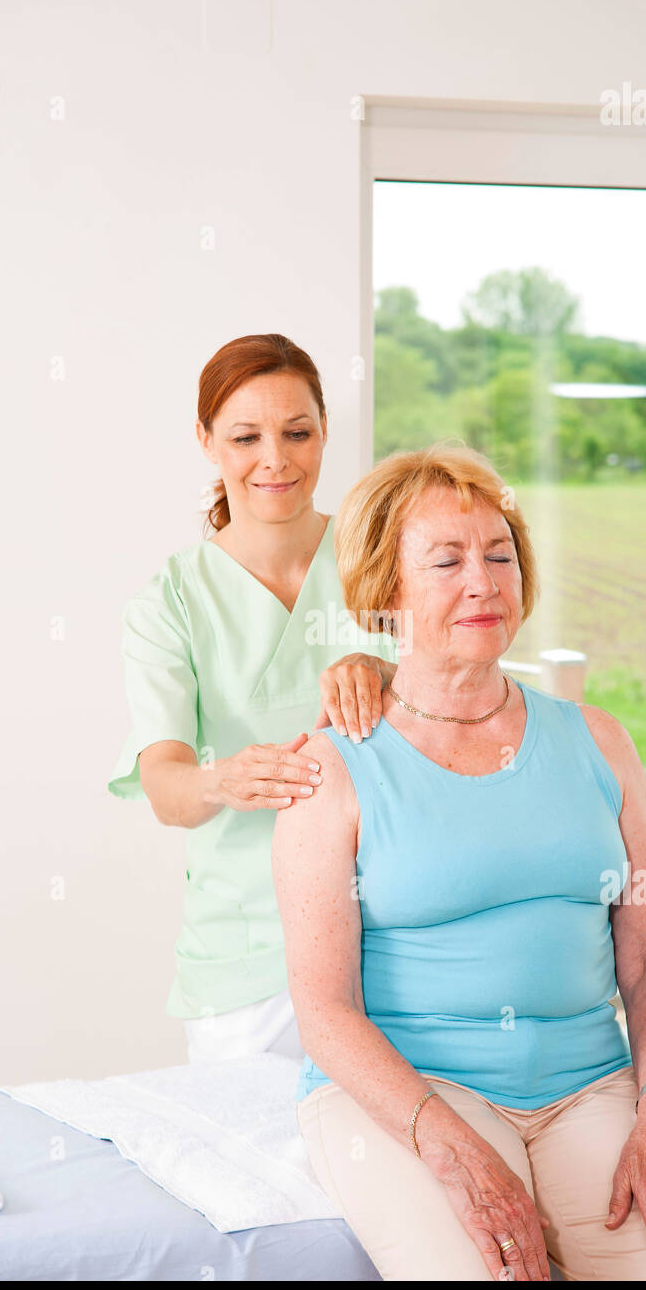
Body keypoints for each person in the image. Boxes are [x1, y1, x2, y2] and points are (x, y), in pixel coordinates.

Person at [271, 442, 646, 1283]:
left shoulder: (599, 742)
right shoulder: (332, 769)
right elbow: (324, 1012)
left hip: (588, 1089)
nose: (483, 581)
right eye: (446, 561)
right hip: (411, 1094)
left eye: (499, 554)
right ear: (385, 593)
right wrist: (450, 1148)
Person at [107, 334, 396, 1065]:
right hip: (247, 966)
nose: (276, 459)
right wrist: (222, 778)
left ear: (325, 431)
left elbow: (464, 707)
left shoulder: (385, 564)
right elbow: (168, 787)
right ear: (206, 442)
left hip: (399, 940)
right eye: (245, 437)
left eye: (297, 433)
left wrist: (393, 674)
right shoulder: (169, 602)